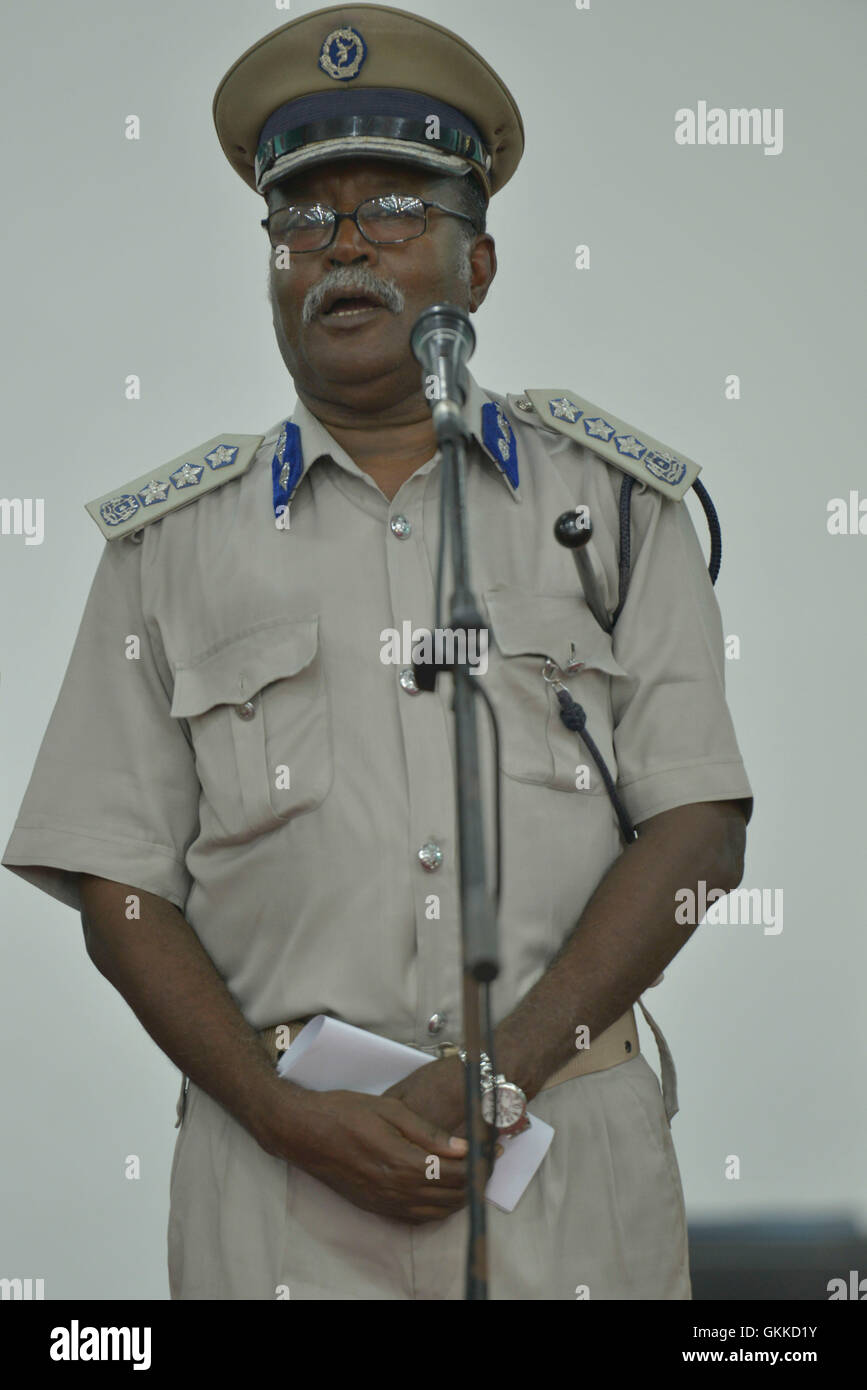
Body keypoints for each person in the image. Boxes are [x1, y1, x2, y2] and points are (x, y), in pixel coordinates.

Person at [2, 4, 753, 1300]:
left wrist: (500, 1067)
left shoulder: (620, 508)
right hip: (280, 1172)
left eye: (394, 208)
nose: (342, 248)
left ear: (482, 260)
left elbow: (698, 828)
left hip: (567, 1155)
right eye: (303, 219)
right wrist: (284, 1112)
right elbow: (119, 886)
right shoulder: (168, 546)